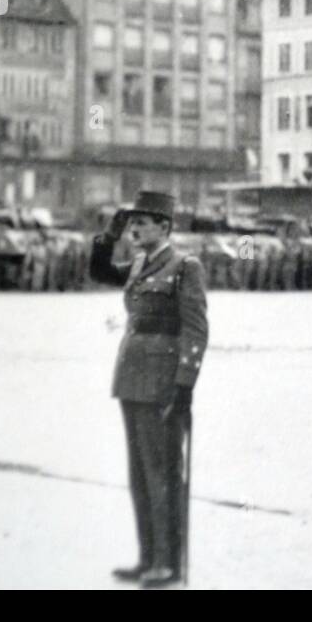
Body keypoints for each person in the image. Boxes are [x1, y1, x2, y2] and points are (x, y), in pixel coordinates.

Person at [89, 191, 208, 588]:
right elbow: (100, 272)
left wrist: (185, 385)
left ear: (165, 227)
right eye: (132, 222)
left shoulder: (184, 266)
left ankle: (168, 562)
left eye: (143, 222)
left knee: (163, 474)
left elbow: (195, 329)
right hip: (131, 377)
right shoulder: (139, 262)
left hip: (162, 383)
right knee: (140, 474)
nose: (135, 229)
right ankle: (147, 558)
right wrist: (110, 234)